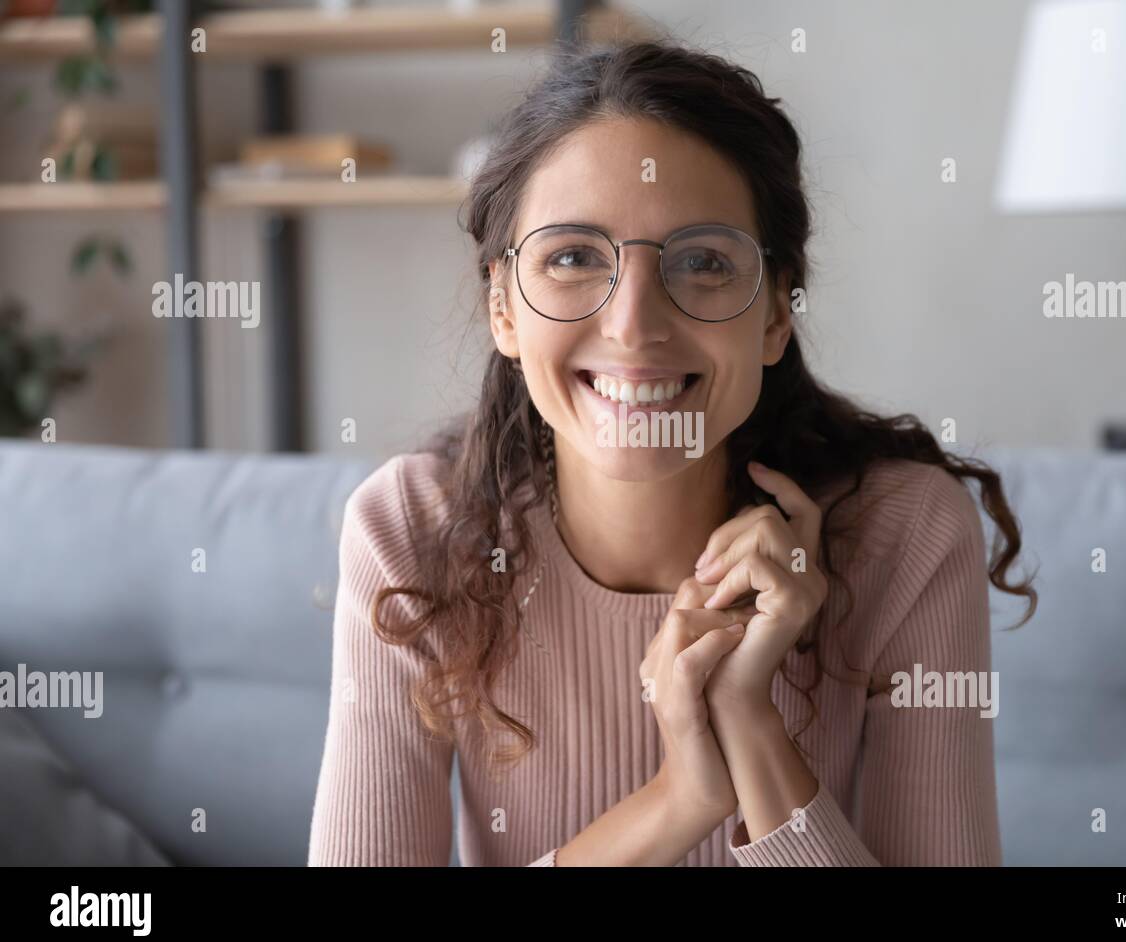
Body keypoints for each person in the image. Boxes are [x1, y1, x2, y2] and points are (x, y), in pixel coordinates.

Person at [308, 38, 1035, 867]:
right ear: (503, 306)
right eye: (574, 257)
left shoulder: (903, 536)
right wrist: (680, 799)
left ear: (773, 316)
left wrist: (749, 724)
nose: (634, 326)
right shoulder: (413, 531)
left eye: (703, 263)